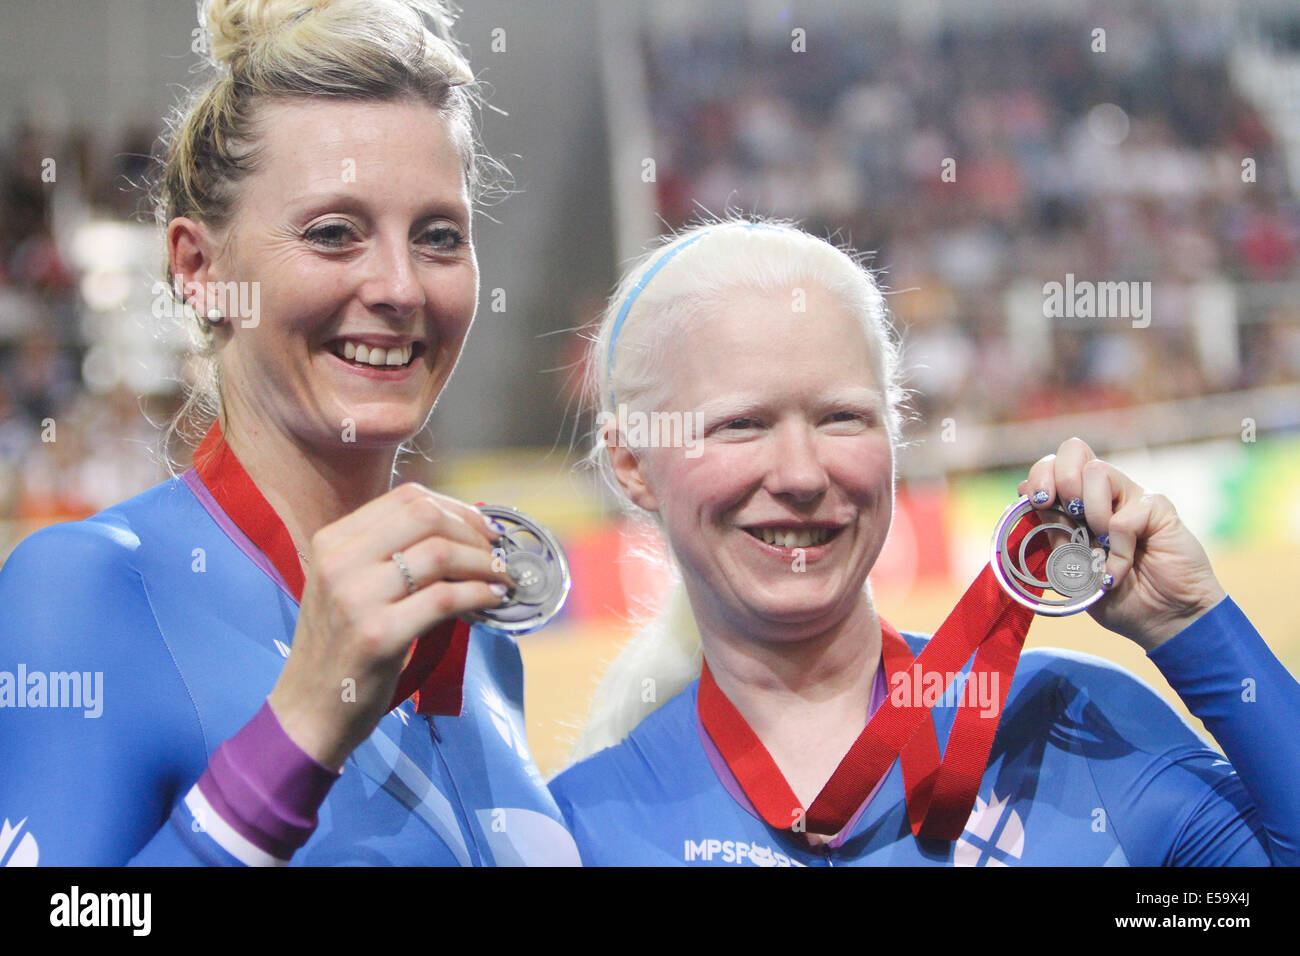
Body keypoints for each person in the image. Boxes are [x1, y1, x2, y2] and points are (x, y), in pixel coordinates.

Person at [0, 0, 579, 867]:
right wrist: (298, 729)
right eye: (334, 233)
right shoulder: (88, 590)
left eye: (438, 236)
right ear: (199, 270)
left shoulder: (477, 639)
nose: (400, 287)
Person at [547, 218, 1300, 866]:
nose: (805, 474)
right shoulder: (577, 833)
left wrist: (1194, 628)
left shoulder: (1073, 724)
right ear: (632, 464)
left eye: (843, 417)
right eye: (741, 423)